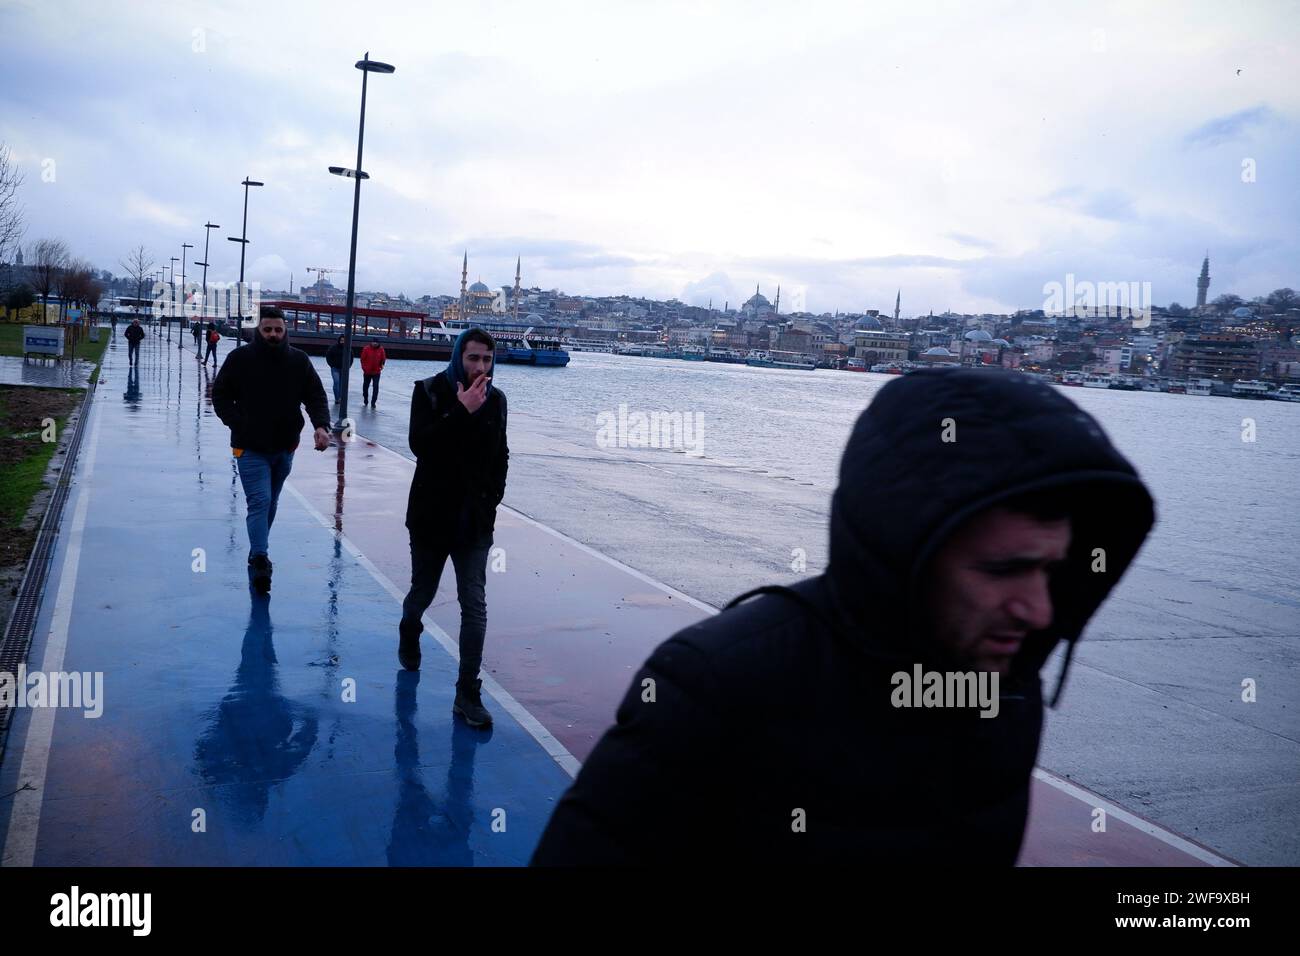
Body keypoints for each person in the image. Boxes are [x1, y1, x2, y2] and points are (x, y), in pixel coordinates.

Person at [530, 367, 1156, 865]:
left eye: (1052, 571)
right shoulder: (715, 685)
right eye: (1001, 570)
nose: (1038, 610)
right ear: (903, 550)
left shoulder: (1005, 691)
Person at [399, 328, 509, 729]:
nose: (480, 367)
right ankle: (409, 629)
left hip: (474, 523)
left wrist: (490, 502)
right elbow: (422, 446)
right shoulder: (427, 391)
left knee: (474, 604)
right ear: (458, 356)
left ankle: (467, 692)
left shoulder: (497, 401)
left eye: (486, 360)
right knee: (423, 592)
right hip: (431, 516)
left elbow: (501, 457)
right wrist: (460, 411)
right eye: (473, 358)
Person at [211, 306, 331, 594]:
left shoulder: (299, 361)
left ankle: (258, 547)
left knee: (272, 500)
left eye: (278, 330)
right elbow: (221, 395)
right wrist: (238, 423)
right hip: (249, 446)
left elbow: (315, 394)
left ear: (285, 330)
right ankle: (260, 558)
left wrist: (321, 426)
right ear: (258, 330)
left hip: (285, 446)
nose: (273, 335)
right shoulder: (240, 359)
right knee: (260, 500)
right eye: (268, 330)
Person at [324, 335, 353, 405]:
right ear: (339, 340)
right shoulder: (333, 348)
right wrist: (332, 365)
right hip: (335, 368)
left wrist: (348, 366)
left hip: (344, 369)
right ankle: (337, 398)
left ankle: (339, 397)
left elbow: (351, 358)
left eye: (343, 341)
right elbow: (328, 356)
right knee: (336, 382)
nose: (342, 342)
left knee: (341, 384)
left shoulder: (348, 348)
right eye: (341, 340)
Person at [360, 337, 387, 408]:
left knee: (376, 386)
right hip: (367, 371)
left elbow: (383, 359)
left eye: (376, 342)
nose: (375, 343)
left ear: (378, 343)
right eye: (374, 342)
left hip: (376, 372)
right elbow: (362, 359)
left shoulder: (381, 349)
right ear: (371, 342)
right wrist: (364, 368)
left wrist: (381, 367)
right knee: (365, 386)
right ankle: (365, 398)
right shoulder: (366, 349)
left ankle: (373, 402)